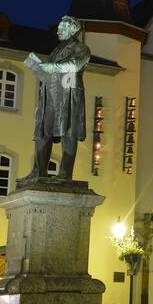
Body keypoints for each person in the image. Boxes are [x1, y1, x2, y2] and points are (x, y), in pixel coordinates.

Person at [22, 15, 90, 182]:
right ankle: (39, 171)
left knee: (69, 131)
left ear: (73, 30)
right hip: (51, 93)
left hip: (68, 91)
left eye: (62, 28)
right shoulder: (57, 49)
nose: (58, 30)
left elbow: (75, 65)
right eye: (59, 27)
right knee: (42, 131)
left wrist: (51, 67)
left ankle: (65, 174)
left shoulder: (81, 48)